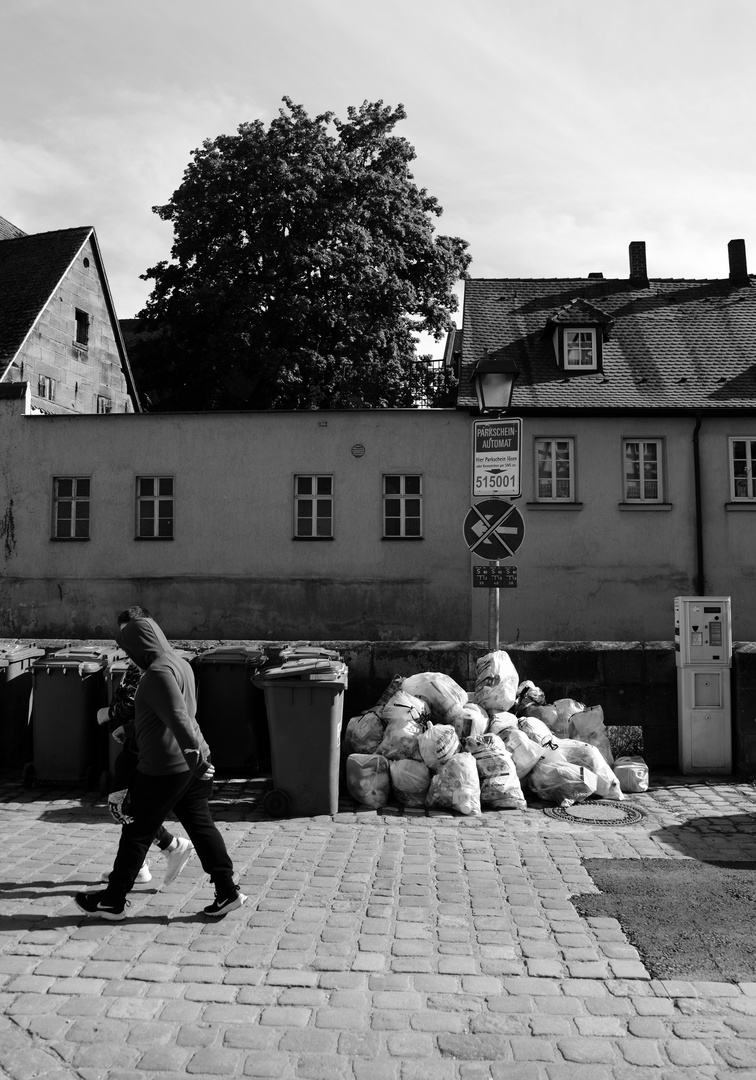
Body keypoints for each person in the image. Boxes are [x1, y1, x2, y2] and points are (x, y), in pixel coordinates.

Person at [75, 611, 246, 921]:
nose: (129, 657)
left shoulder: (157, 674)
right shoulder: (181, 664)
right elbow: (165, 716)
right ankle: (227, 890)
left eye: (130, 650)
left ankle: (113, 901)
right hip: (187, 762)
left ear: (142, 645)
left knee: (136, 830)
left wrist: (193, 757)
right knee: (199, 824)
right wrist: (131, 731)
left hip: (167, 766)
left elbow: (179, 717)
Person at [97, 606, 194, 887]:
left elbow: (147, 706)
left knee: (126, 807)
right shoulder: (149, 660)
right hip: (137, 740)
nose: (127, 641)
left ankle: (168, 847)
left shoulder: (153, 664)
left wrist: (110, 714)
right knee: (129, 807)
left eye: (131, 632)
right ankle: (145, 861)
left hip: (146, 745)